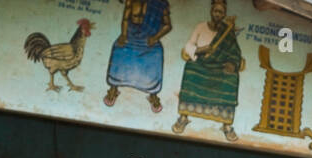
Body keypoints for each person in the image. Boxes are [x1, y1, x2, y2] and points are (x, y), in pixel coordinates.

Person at [172, 0, 244, 140]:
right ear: (211, 12)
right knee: (190, 69)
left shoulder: (227, 31)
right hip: (201, 62)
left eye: (221, 12)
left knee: (232, 79)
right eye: (215, 11)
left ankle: (227, 125)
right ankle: (183, 117)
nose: (218, 14)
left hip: (219, 66)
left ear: (224, 15)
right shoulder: (201, 26)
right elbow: (189, 46)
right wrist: (201, 49)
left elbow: (235, 52)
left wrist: (232, 64)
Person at [104, 0, 172, 113]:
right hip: (131, 34)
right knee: (118, 48)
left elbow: (168, 25)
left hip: (149, 37)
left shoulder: (159, 3)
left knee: (157, 53)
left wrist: (155, 38)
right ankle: (113, 88)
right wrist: (124, 35)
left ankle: (153, 94)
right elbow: (125, 19)